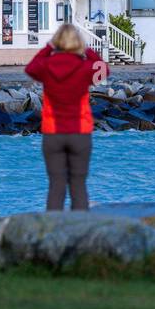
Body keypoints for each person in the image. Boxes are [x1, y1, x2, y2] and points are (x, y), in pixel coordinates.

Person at [24, 24, 109, 210]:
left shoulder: (46, 67)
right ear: (77, 43)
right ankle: (79, 233)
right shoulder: (85, 67)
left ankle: (53, 233)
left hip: (53, 132)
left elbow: (30, 69)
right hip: (79, 132)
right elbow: (104, 70)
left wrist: (49, 48)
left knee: (56, 185)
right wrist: (86, 49)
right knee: (78, 185)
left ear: (58, 43)